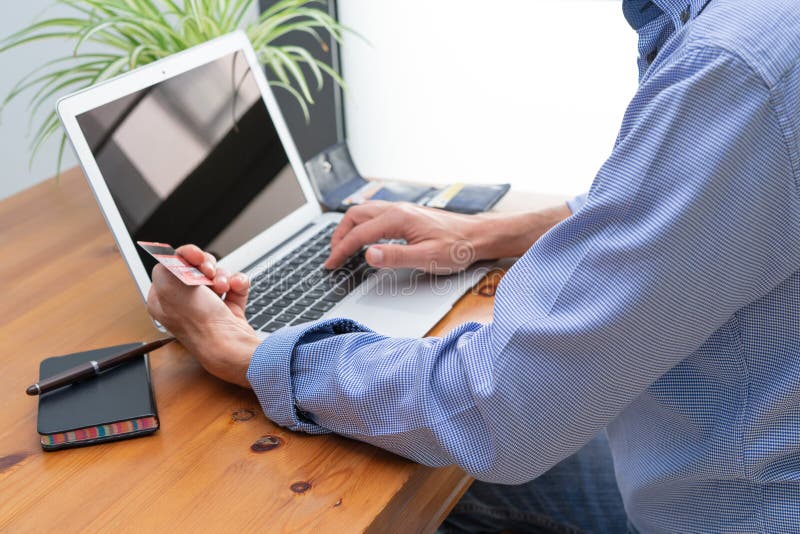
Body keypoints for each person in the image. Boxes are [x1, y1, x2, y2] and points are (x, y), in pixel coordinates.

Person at [146, 0, 800, 531]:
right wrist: (485, 233)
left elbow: (506, 411)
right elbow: (672, 203)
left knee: (391, 498)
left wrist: (237, 347)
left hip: (729, 502)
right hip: (709, 443)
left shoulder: (736, 65)